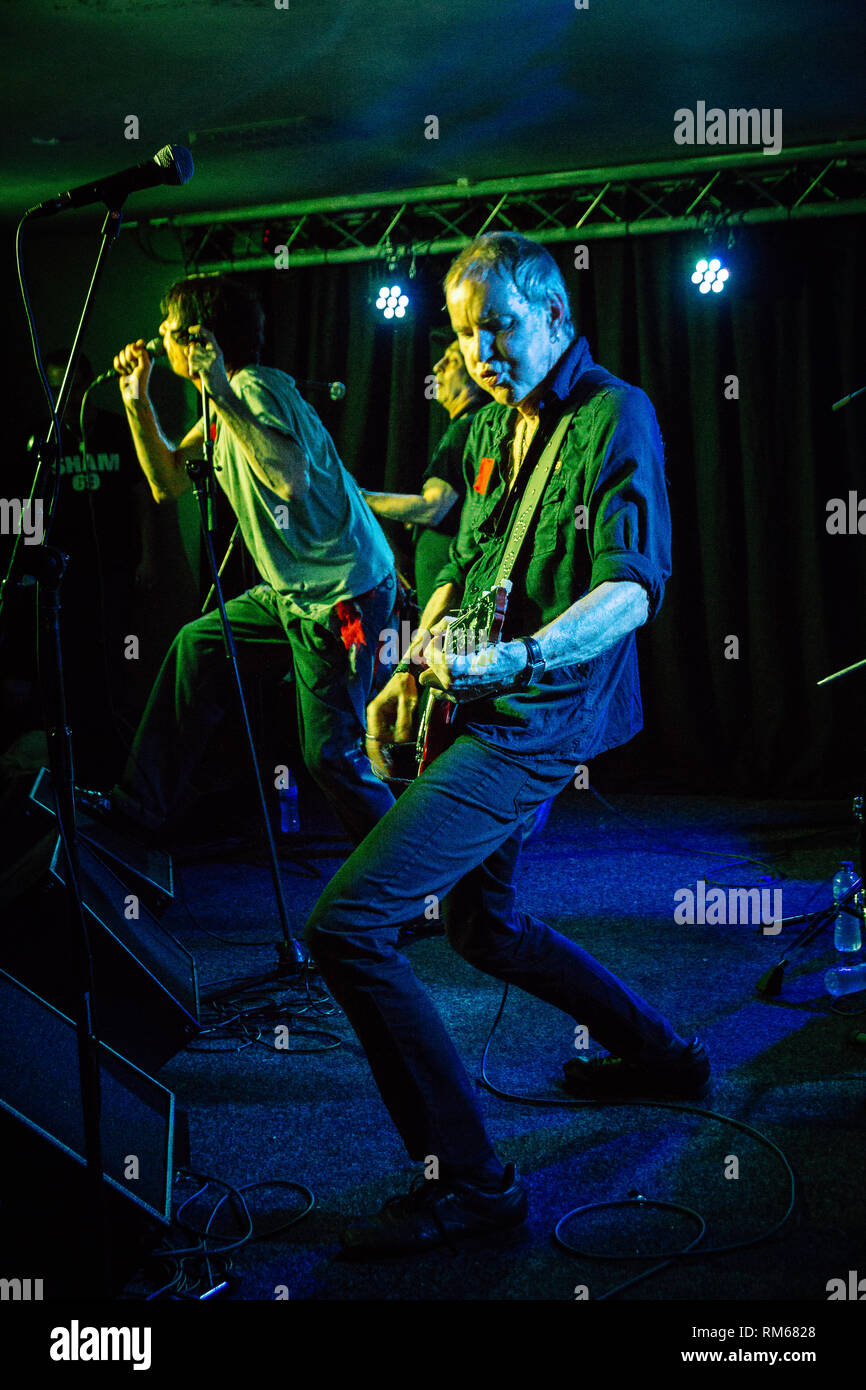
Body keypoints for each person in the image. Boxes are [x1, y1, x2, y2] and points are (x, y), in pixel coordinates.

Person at [303, 232, 710, 1257]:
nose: (478, 348)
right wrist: (408, 664)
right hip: (491, 701)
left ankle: (473, 1186)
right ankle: (660, 1056)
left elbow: (629, 589)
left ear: (556, 316)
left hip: (540, 715)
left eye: (498, 325)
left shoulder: (617, 412)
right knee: (483, 929)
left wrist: (517, 659)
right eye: (462, 332)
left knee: (348, 925)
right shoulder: (494, 423)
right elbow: (468, 563)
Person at [80, 274, 397, 847]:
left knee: (330, 754)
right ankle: (139, 809)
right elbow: (167, 482)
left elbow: (291, 480)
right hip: (292, 593)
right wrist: (136, 402)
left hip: (343, 594)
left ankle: (407, 875)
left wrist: (220, 388)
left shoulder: (250, 389)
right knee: (199, 647)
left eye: (168, 330)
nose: (157, 338)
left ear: (200, 339)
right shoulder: (229, 398)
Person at [0, 352, 153, 785]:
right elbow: (18, 504)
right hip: (61, 575)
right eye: (55, 388)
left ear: (87, 385)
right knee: (72, 657)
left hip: (115, 565)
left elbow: (140, 491)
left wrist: (148, 554)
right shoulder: (39, 439)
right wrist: (22, 564)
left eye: (72, 386)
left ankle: (119, 749)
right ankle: (77, 754)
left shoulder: (110, 429)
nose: (65, 397)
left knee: (125, 647)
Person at [362, 339, 488, 611]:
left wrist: (361, 499)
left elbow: (433, 507)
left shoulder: (465, 429)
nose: (437, 367)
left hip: (450, 603)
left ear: (475, 378)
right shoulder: (476, 427)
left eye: (451, 361)